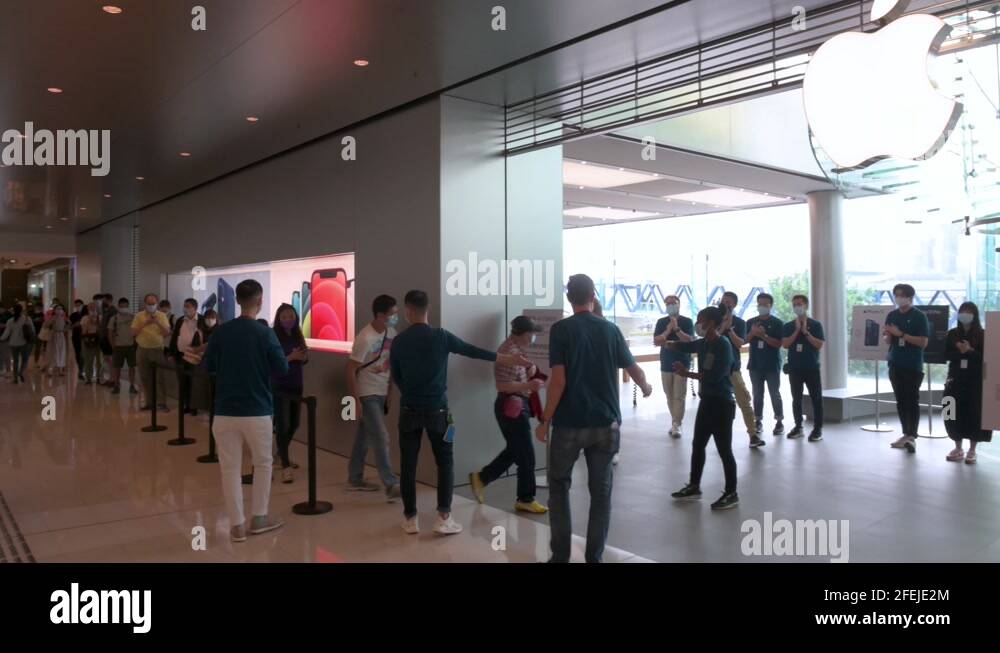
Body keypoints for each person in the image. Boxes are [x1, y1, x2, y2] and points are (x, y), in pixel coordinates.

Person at [390, 290, 530, 536]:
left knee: (408, 465)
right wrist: (507, 359)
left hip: (409, 411)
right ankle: (443, 517)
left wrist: (410, 395)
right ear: (428, 309)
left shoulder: (399, 341)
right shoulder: (441, 337)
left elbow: (397, 376)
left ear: (408, 311)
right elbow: (472, 350)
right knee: (445, 462)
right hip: (439, 411)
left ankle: (410, 519)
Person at [536, 274, 653, 563]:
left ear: (569, 298)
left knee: (559, 488)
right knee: (601, 494)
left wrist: (545, 419)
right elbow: (634, 369)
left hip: (569, 423)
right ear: (594, 296)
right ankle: (594, 558)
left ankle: (560, 557)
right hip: (606, 424)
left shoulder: (561, 330)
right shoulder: (610, 330)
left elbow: (558, 380)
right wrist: (646, 387)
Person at [204, 279, 289, 541]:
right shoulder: (265, 333)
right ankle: (259, 517)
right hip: (257, 410)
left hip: (224, 411)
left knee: (229, 468)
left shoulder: (221, 332)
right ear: (260, 301)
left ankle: (237, 525)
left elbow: (208, 366)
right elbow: (282, 368)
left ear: (237, 300)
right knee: (262, 463)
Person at [469, 315, 548, 514]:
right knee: (526, 455)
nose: (533, 338)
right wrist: (528, 384)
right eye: (531, 334)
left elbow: (520, 373)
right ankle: (525, 499)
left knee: (516, 450)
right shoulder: (508, 352)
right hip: (511, 406)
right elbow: (502, 385)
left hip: (517, 405)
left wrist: (530, 368)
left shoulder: (517, 349)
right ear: (523, 333)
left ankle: (482, 478)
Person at [668, 306, 740, 509]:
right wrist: (667, 342)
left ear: (712, 323)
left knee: (724, 449)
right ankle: (694, 486)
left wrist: (686, 374)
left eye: (701, 321)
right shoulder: (704, 343)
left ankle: (731, 493)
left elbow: (715, 376)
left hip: (722, 404)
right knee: (698, 444)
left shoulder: (723, 345)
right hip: (707, 401)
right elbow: (687, 346)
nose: (698, 324)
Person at [346, 295, 401, 497]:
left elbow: (391, 365)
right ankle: (391, 483)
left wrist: (390, 392)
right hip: (367, 393)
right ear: (380, 315)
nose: (395, 317)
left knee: (364, 437)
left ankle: (355, 478)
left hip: (381, 391)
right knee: (380, 436)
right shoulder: (365, 338)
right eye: (392, 314)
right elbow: (350, 370)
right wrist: (356, 402)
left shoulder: (392, 333)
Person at [885, 284, 929, 453]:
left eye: (901, 295)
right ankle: (905, 433)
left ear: (910, 297)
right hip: (895, 363)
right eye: (896, 295)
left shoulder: (919, 316)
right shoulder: (892, 315)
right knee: (901, 401)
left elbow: (923, 342)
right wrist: (888, 335)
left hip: (912, 365)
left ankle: (912, 436)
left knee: (911, 401)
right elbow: (887, 340)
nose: (898, 298)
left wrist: (901, 334)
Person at [944, 302, 990, 464]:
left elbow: (987, 358)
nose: (965, 315)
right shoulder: (952, 334)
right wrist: (960, 351)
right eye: (962, 311)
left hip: (975, 380)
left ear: (975, 315)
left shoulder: (983, 334)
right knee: (950, 411)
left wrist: (970, 351)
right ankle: (957, 447)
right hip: (955, 378)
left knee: (974, 413)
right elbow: (946, 355)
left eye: (969, 312)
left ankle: (972, 449)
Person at [271, 303, 309, 484]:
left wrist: (303, 356)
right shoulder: (273, 336)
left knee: (295, 423)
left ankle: (280, 454)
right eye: (285, 317)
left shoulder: (297, 334)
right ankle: (285, 465)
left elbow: (304, 358)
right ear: (279, 319)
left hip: (296, 384)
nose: (288, 319)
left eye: (291, 316)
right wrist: (290, 357)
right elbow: (272, 362)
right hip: (280, 385)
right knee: (283, 424)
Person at [719, 292, 762, 447]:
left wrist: (730, 329)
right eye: (723, 301)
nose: (725, 304)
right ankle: (721, 437)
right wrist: (722, 325)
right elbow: (710, 337)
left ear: (734, 305)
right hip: (716, 370)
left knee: (744, 401)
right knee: (719, 404)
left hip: (733, 368)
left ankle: (753, 435)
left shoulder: (740, 323)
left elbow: (739, 344)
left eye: (728, 302)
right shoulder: (714, 319)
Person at [782, 295, 825, 441]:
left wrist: (805, 331)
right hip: (794, 369)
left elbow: (819, 344)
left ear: (806, 305)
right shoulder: (788, 326)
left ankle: (817, 429)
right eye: (794, 304)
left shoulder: (816, 325)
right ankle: (798, 427)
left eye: (799, 304)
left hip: (812, 368)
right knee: (796, 399)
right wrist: (797, 330)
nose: (797, 307)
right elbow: (785, 344)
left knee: (816, 399)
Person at [653, 295, 695, 438]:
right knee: (669, 395)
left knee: (679, 395)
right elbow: (657, 341)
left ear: (679, 304)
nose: (671, 305)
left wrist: (676, 329)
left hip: (682, 362)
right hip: (666, 362)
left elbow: (689, 340)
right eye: (668, 303)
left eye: (673, 303)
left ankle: (677, 423)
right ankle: (675, 421)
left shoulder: (687, 321)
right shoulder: (661, 322)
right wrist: (668, 329)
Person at [746, 292, 785, 436]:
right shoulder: (750, 322)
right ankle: (758, 421)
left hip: (772, 365)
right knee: (757, 394)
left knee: (775, 393)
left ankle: (779, 421)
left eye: (765, 304)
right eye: (760, 304)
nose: (762, 306)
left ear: (770, 306)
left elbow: (779, 344)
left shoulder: (778, 323)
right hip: (755, 365)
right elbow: (743, 340)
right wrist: (752, 333)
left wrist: (763, 335)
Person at [132, 293, 172, 412]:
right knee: (145, 377)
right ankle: (149, 402)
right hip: (142, 349)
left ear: (157, 303)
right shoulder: (139, 316)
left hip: (157, 349)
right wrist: (145, 323)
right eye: (149, 303)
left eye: (153, 303)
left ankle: (161, 403)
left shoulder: (162, 316)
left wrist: (157, 322)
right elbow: (133, 333)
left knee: (159, 377)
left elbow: (167, 333)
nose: (151, 306)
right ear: (145, 304)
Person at [170, 298, 204, 414]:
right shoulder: (180, 320)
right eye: (185, 306)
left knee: (194, 382)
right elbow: (175, 337)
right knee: (183, 381)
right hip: (180, 355)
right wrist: (171, 353)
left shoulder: (202, 320)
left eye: (188, 306)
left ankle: (194, 406)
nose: (185, 308)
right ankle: (186, 404)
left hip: (195, 356)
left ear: (195, 308)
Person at [109, 297, 138, 395]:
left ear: (128, 306)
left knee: (132, 367)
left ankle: (132, 385)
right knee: (117, 367)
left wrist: (136, 343)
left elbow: (137, 331)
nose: (123, 308)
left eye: (125, 306)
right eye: (121, 306)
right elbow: (110, 333)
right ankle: (116, 385)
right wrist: (113, 345)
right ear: (118, 306)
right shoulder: (114, 318)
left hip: (130, 346)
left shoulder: (133, 317)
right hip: (118, 346)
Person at [1, 303, 35, 383]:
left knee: (15, 361)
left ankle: (15, 378)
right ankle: (20, 372)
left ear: (13, 311)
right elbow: (32, 330)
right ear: (22, 310)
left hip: (13, 343)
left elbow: (7, 333)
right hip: (24, 343)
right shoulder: (27, 319)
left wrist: (1, 339)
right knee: (25, 359)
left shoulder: (10, 321)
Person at [79, 302, 103, 384]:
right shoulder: (84, 318)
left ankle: (99, 377)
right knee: (88, 360)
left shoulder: (100, 318)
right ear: (88, 309)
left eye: (94, 308)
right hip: (87, 340)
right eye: (91, 308)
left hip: (98, 340)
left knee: (99, 360)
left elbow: (101, 330)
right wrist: (89, 321)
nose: (93, 309)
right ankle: (88, 377)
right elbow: (83, 331)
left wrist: (97, 322)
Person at [44, 303, 69, 376]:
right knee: (53, 352)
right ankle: (49, 370)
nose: (60, 310)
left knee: (61, 352)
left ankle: (60, 370)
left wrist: (66, 327)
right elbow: (46, 325)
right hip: (54, 336)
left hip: (61, 336)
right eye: (58, 309)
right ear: (54, 310)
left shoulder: (64, 318)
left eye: (61, 309)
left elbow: (67, 326)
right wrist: (51, 322)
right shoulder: (53, 318)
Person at [99, 293, 116, 385]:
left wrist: (111, 339)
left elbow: (112, 326)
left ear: (109, 300)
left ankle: (113, 378)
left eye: (104, 300)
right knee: (106, 358)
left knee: (110, 358)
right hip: (103, 337)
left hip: (108, 337)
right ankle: (109, 377)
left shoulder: (113, 311)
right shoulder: (105, 311)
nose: (102, 302)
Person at [69, 299, 85, 379]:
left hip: (85, 337)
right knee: (78, 354)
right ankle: (80, 371)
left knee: (84, 354)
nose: (78, 307)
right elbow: (69, 326)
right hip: (76, 337)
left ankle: (83, 370)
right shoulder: (73, 315)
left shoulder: (85, 314)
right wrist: (75, 325)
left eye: (79, 305)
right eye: (76, 305)